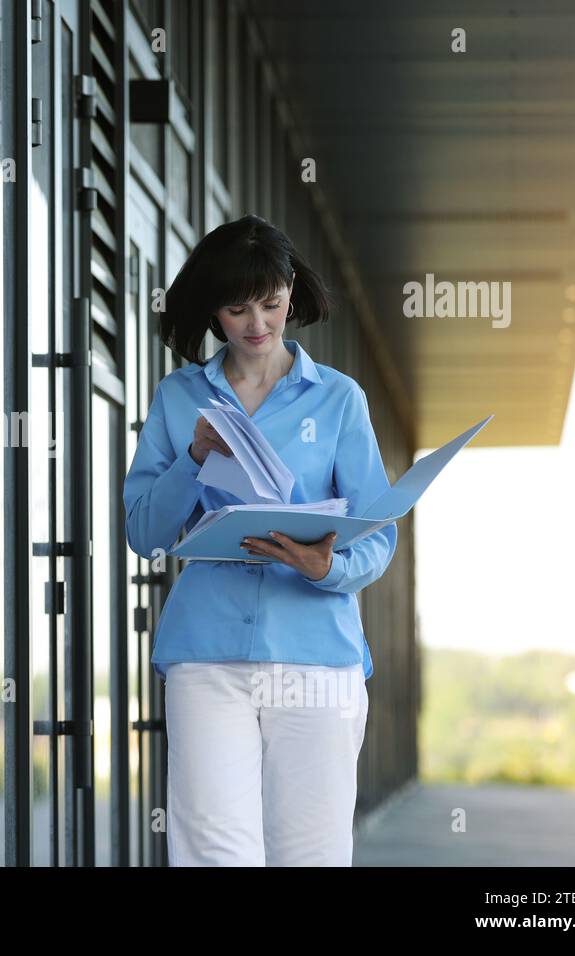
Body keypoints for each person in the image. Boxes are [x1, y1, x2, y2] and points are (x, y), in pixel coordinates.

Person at [123, 214, 396, 866]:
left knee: (312, 854)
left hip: (318, 660)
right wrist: (192, 458)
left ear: (291, 293)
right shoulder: (178, 396)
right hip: (207, 659)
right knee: (215, 853)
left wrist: (326, 565)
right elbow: (144, 532)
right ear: (213, 311)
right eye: (236, 308)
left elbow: (378, 536)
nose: (256, 324)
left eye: (270, 304)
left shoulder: (339, 400)